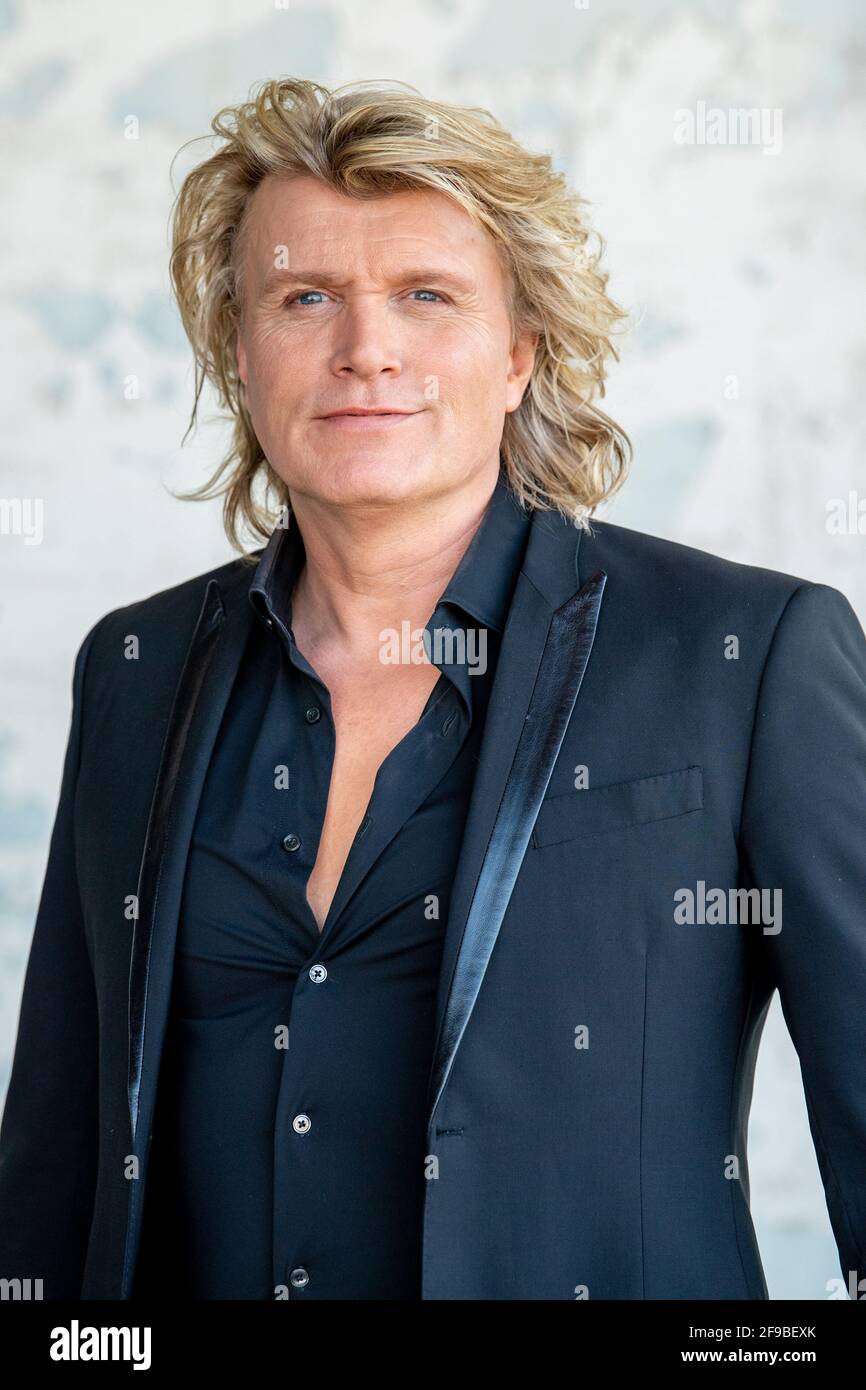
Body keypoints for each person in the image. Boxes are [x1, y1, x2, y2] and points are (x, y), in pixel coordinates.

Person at [1, 77, 864, 1302]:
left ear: (519, 352)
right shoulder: (135, 668)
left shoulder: (747, 651)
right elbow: (56, 1151)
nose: (367, 350)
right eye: (305, 299)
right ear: (240, 355)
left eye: (425, 295)